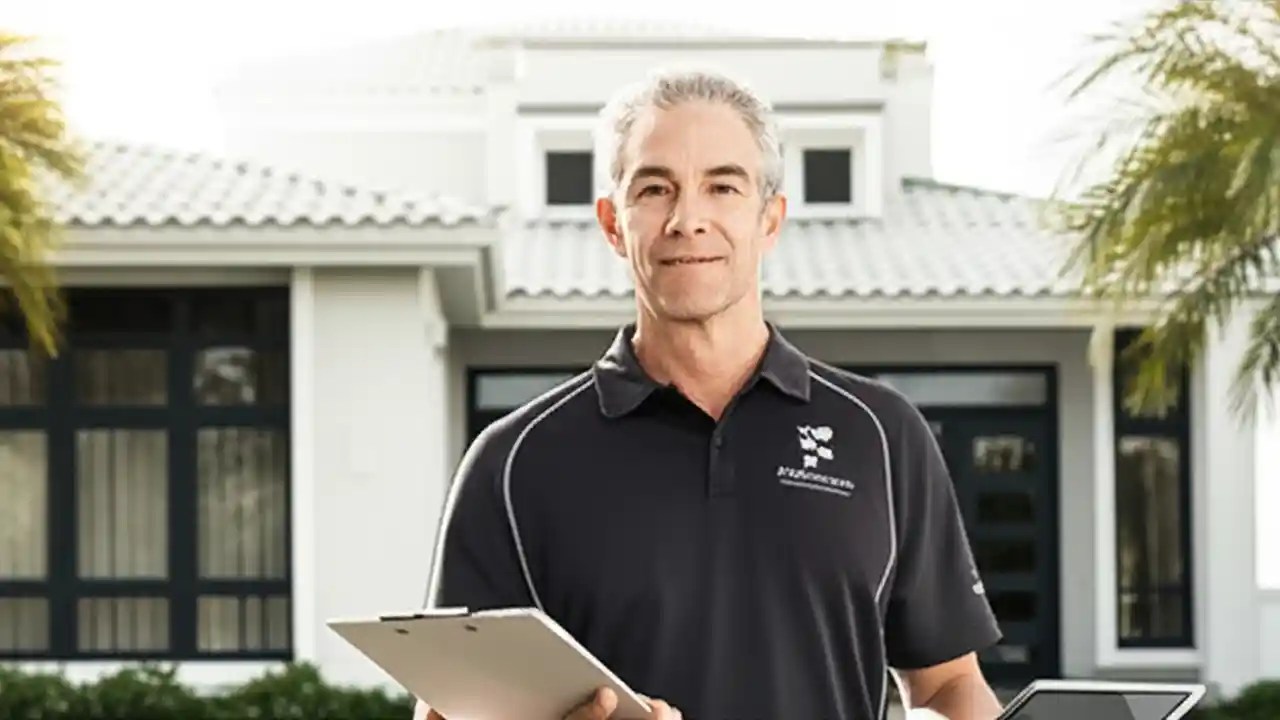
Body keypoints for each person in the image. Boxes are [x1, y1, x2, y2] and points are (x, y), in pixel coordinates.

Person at [418, 67, 1006, 720]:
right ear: (613, 224)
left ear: (770, 219)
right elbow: (448, 712)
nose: (687, 219)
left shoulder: (884, 437)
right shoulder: (513, 463)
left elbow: (949, 684)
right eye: (655, 189)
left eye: (722, 186)